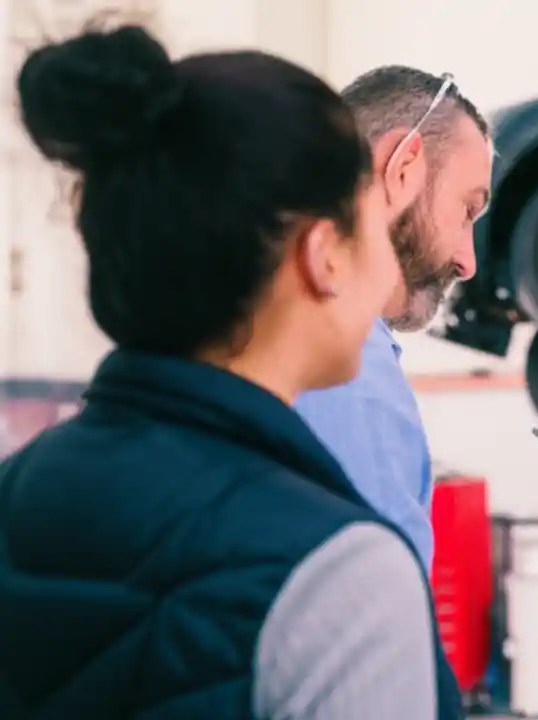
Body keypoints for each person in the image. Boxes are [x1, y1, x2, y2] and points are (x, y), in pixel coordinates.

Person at [0, 24, 450, 719]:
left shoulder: (15, 492)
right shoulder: (341, 574)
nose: (392, 267)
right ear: (323, 253)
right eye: (375, 229)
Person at [292, 66, 492, 576]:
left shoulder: (250, 324)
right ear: (403, 167)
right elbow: (378, 632)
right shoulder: (348, 366)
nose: (468, 262)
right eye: (467, 211)